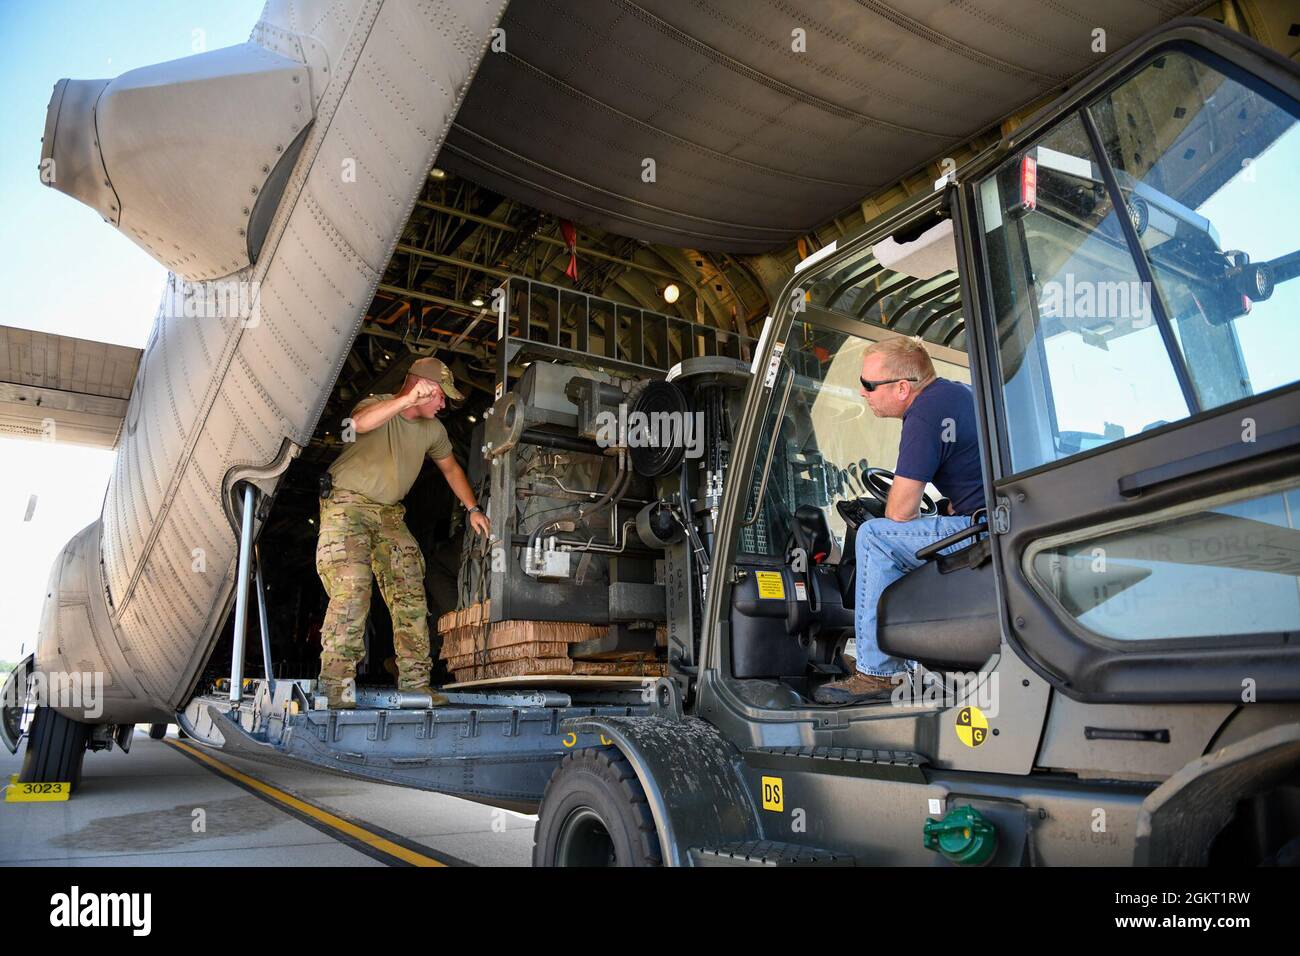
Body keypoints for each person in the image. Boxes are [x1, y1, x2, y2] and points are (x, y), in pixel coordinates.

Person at [815, 337, 985, 705]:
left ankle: (879, 672)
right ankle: (906, 659)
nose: (863, 393)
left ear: (903, 387)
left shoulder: (923, 414)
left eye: (869, 385)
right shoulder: (957, 395)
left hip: (982, 535)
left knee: (876, 536)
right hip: (987, 522)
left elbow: (899, 512)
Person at [315, 356, 490, 709]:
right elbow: (357, 425)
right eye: (440, 395)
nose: (445, 403)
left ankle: (415, 683)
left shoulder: (434, 431)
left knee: (411, 589)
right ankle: (335, 684)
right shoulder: (379, 405)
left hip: (389, 515)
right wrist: (405, 401)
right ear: (420, 387)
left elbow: (451, 469)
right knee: (353, 585)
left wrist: (473, 509)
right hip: (347, 505)